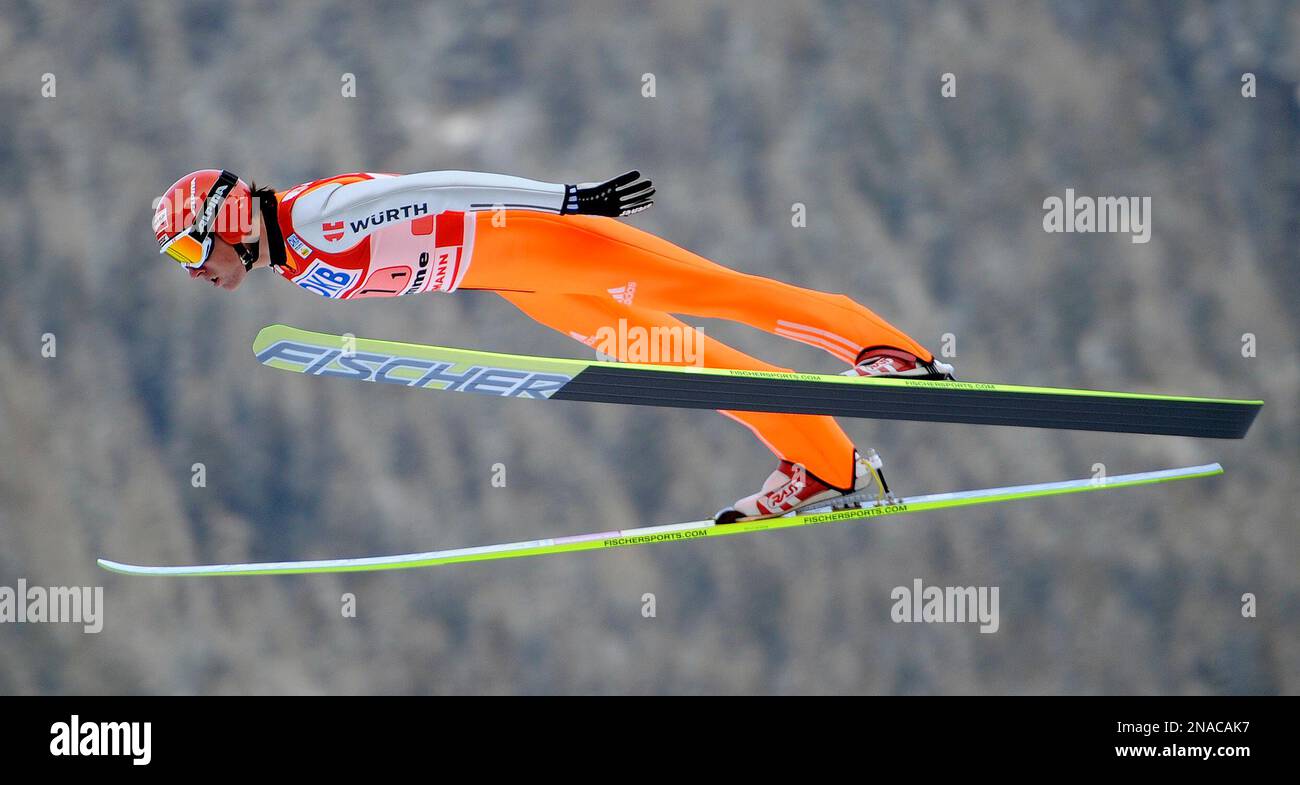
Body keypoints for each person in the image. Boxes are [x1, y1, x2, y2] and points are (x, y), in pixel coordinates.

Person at [153, 168, 954, 522]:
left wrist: (568, 200)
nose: (194, 270)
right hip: (524, 282)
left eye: (191, 248)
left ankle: (889, 352)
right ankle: (827, 464)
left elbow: (443, 187)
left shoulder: (317, 217)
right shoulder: (295, 261)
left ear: (227, 219)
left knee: (713, 290)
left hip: (545, 240)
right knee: (679, 361)